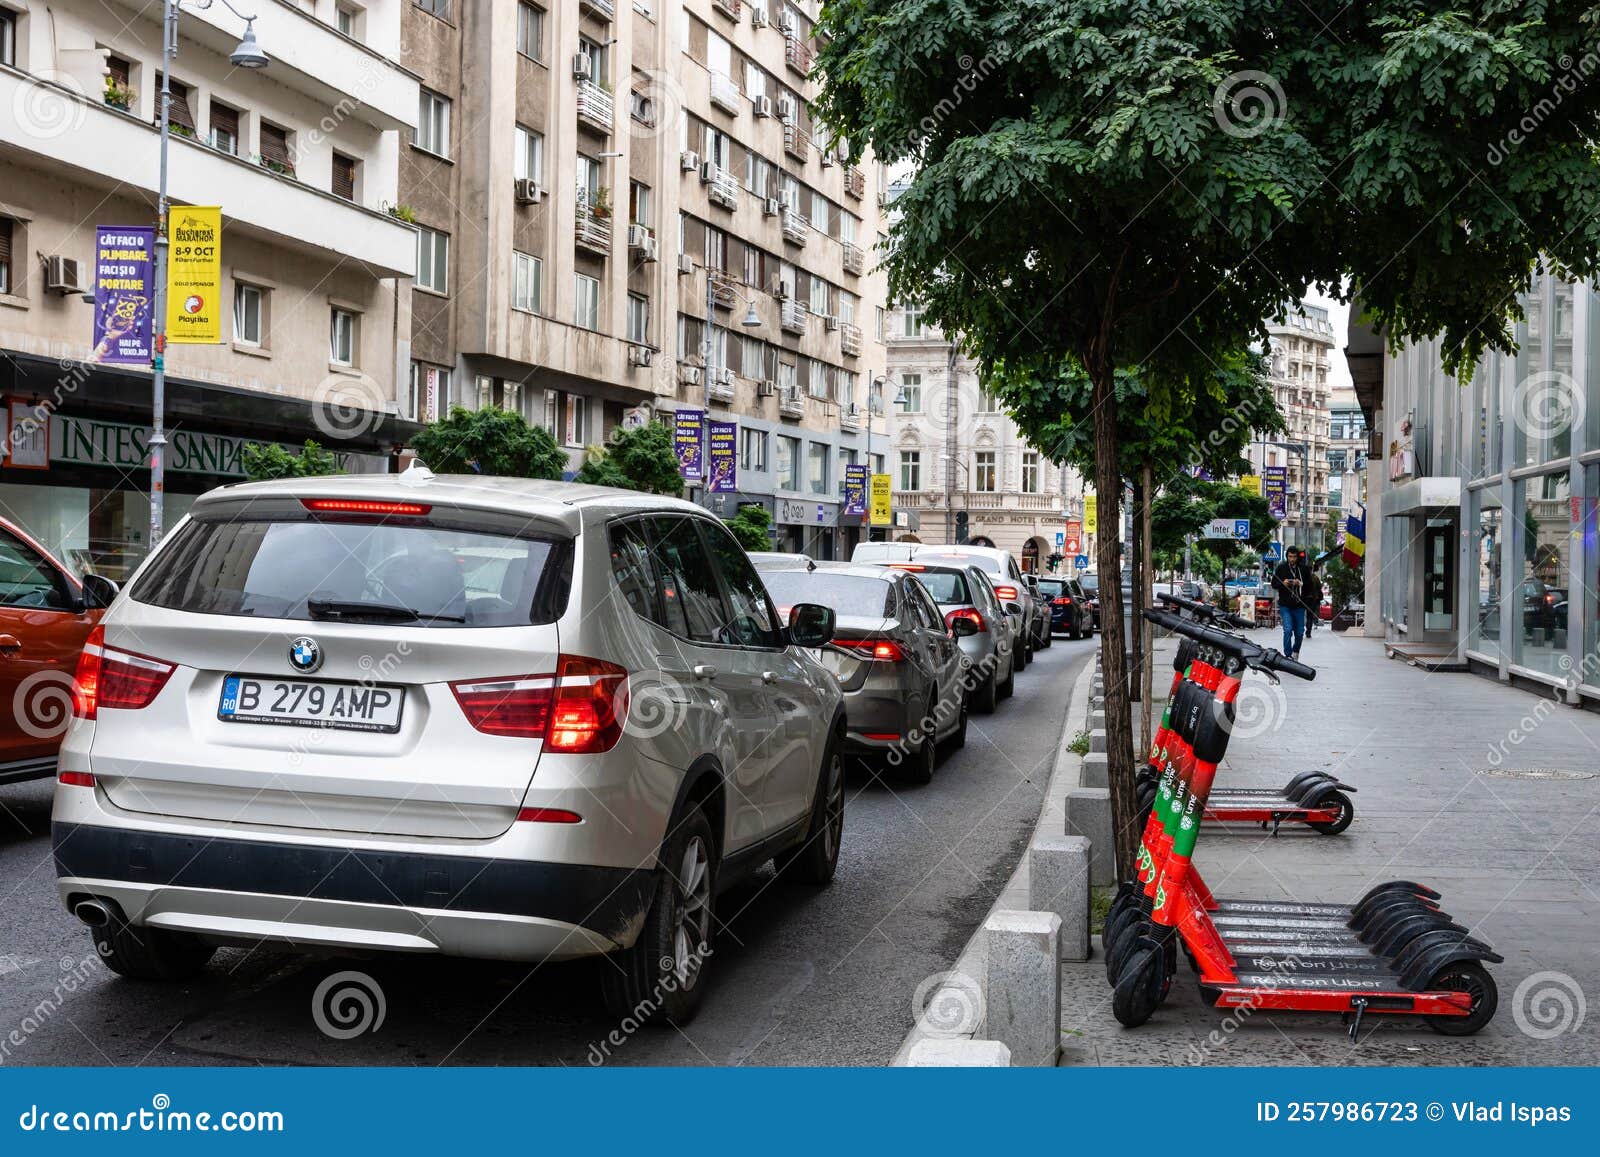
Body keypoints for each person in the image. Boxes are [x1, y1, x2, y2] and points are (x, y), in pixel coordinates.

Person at [1271, 547, 1313, 659]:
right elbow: (1274, 584)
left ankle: (1296, 651)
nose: (1292, 559)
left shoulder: (1303, 569)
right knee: (1288, 630)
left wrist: (1300, 583)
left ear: (1297, 557)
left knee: (1300, 632)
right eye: (1290, 556)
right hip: (1285, 605)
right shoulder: (1281, 568)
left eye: (1294, 557)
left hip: (1299, 605)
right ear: (1287, 556)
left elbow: (1310, 586)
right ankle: (1288, 655)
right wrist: (1283, 583)